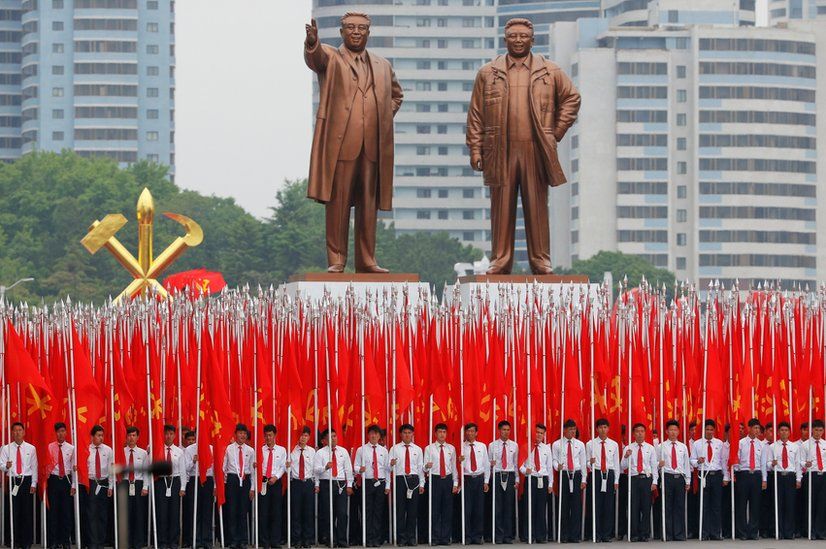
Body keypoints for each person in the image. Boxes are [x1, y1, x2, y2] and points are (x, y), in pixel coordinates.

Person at [466, 16, 581, 274]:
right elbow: (475, 114)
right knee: (501, 207)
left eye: (523, 36)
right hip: (500, 149)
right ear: (505, 39)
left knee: (537, 206)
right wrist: (475, 148)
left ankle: (541, 260)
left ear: (532, 39)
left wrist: (555, 132)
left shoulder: (550, 71)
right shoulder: (488, 73)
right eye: (513, 36)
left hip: (535, 148)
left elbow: (572, 99)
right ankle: (500, 259)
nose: (518, 40)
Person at [303, 12, 403, 273]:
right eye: (350, 28)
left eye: (361, 28)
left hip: (372, 147)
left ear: (369, 33)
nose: (356, 32)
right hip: (341, 145)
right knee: (338, 204)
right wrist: (312, 43)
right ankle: (336, 259)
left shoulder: (382, 65)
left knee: (368, 205)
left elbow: (396, 96)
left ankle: (367, 260)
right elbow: (316, 59)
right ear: (341, 32)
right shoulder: (332, 57)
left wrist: (381, 116)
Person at [0, 422, 37, 549]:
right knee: (13, 511)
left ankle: (26, 542)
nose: (17, 433)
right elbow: (1, 465)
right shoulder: (6, 448)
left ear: (24, 432)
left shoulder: (31, 448)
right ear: (12, 433)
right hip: (12, 480)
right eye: (15, 430)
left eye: (20, 430)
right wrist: (6, 466)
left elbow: (34, 467)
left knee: (26, 512)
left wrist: (34, 483)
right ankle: (13, 541)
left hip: (26, 481)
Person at [690, 419, 729, 540]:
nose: (709, 431)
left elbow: (723, 461)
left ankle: (715, 532)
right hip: (703, 475)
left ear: (714, 431)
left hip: (716, 475)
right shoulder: (697, 444)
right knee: (704, 505)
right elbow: (692, 460)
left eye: (712, 429)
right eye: (707, 429)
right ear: (703, 430)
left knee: (716, 505)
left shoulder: (719, 443)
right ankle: (704, 532)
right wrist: (698, 461)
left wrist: (726, 476)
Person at [315, 428, 353, 547]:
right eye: (330, 437)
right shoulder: (320, 453)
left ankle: (342, 540)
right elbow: (315, 470)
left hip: (340, 484)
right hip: (326, 483)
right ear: (325, 440)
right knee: (328, 513)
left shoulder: (343, 451)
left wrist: (349, 485)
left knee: (342, 513)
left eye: (335, 436)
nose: (333, 438)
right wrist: (325, 468)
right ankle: (332, 539)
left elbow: (348, 469)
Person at [552, 419, 587, 543]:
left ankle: (575, 535)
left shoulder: (580, 444)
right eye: (571, 429)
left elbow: (583, 463)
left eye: (574, 429)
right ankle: (564, 535)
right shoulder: (556, 444)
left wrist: (584, 479)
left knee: (576, 506)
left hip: (576, 474)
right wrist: (557, 466)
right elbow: (554, 460)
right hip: (564, 475)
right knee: (563, 505)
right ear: (564, 430)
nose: (573, 431)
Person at [389, 424, 425, 546]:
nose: (407, 435)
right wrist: (391, 464)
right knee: (400, 510)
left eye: (409, 433)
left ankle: (411, 537)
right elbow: (388, 468)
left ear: (413, 434)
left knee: (413, 511)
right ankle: (401, 538)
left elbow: (420, 468)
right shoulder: (394, 448)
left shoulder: (418, 449)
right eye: (405, 433)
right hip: (400, 479)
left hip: (413, 480)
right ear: (400, 434)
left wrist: (422, 484)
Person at [353, 425, 389, 547]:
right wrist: (360, 470)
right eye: (371, 433)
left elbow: (387, 469)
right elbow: (355, 467)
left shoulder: (384, 450)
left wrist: (387, 485)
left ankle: (376, 539)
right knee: (367, 511)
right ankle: (367, 538)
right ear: (368, 435)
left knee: (378, 511)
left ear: (379, 436)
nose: (374, 436)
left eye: (376, 434)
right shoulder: (361, 450)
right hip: (367, 482)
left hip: (380, 482)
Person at [621, 423, 658, 542]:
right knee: (633, 507)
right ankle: (634, 533)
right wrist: (626, 456)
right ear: (633, 434)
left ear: (645, 433)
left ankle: (645, 533)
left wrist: (655, 481)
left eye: (642, 431)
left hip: (646, 479)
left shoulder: (650, 448)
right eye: (637, 431)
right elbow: (622, 466)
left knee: (646, 507)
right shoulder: (628, 448)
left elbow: (653, 466)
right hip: (633, 479)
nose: (640, 433)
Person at [424, 423, 458, 545]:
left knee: (447, 510)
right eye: (439, 432)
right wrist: (426, 467)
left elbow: (454, 467)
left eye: (444, 432)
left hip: (447, 480)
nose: (442, 434)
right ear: (435, 434)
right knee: (435, 510)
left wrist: (455, 482)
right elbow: (424, 468)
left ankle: (445, 537)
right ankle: (435, 537)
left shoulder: (451, 448)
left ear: (446, 434)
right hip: (434, 480)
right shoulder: (429, 448)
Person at [586, 418, 619, 542]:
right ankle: (596, 533)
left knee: (608, 505)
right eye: (600, 427)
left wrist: (616, 480)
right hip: (596, 473)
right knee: (596, 504)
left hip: (609, 474)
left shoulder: (614, 444)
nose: (603, 430)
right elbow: (586, 462)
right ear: (596, 429)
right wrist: (590, 462)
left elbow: (616, 464)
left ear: (608, 428)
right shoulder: (590, 444)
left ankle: (606, 534)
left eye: (605, 427)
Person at [733, 418, 767, 540]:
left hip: (756, 475)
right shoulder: (741, 443)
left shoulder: (762, 444)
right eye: (755, 428)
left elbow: (763, 463)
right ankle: (742, 532)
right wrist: (737, 473)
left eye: (758, 428)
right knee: (741, 504)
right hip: (744, 474)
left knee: (755, 504)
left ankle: (753, 532)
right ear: (749, 428)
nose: (757, 430)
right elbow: (736, 460)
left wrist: (764, 479)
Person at [155, 424, 187, 549]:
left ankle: (173, 542)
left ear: (174, 435)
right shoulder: (157, 449)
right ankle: (162, 541)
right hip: (161, 482)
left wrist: (183, 487)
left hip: (175, 481)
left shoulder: (179, 451)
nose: (168, 436)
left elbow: (183, 470)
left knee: (174, 513)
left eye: (171, 434)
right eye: (166, 433)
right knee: (161, 513)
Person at [223, 424, 255, 549]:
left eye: (244, 433)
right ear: (235, 434)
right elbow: (224, 467)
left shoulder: (250, 450)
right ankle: (233, 539)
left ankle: (243, 540)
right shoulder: (229, 448)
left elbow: (253, 471)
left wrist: (252, 487)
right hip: (232, 480)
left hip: (245, 480)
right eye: (240, 433)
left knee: (243, 511)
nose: (242, 435)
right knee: (232, 510)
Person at [519, 423, 553, 543]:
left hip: (542, 480)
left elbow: (549, 468)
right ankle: (529, 535)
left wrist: (550, 484)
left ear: (544, 435)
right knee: (529, 507)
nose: (539, 435)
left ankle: (541, 536)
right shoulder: (526, 447)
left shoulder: (546, 448)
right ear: (533, 433)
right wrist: (525, 471)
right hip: (531, 479)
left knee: (541, 508)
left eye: (541, 433)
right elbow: (520, 466)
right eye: (537, 432)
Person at [659, 419, 691, 541]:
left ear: (678, 432)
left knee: (679, 506)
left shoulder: (683, 447)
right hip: (667, 477)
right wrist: (658, 464)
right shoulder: (661, 446)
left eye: (675, 430)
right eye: (671, 430)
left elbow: (686, 464)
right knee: (667, 506)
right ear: (667, 431)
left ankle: (679, 534)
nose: (673, 432)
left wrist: (688, 481)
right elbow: (654, 463)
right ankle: (667, 534)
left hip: (679, 478)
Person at [768, 421, 801, 539]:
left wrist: (798, 479)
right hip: (777, 476)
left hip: (790, 477)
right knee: (778, 504)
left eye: (786, 430)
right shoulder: (772, 446)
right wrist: (772, 464)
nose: (784, 432)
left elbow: (797, 464)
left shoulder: (795, 447)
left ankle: (789, 531)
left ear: (789, 432)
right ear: (778, 432)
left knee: (790, 504)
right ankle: (779, 531)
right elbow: (767, 463)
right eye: (781, 430)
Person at [489, 420, 519, 543]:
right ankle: (498, 535)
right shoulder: (492, 445)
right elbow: (487, 464)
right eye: (503, 430)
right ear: (499, 430)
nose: (506, 432)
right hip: (497, 475)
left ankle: (508, 536)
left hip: (510, 474)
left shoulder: (514, 445)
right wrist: (491, 466)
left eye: (508, 430)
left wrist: (517, 478)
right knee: (498, 507)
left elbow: (516, 463)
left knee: (508, 507)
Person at [84, 425, 114, 549]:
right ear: (92, 436)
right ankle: (92, 542)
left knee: (102, 514)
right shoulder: (86, 449)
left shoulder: (108, 450)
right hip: (90, 483)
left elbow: (111, 469)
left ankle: (101, 542)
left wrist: (111, 486)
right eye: (98, 435)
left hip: (103, 483)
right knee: (91, 514)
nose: (101, 438)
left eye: (102, 435)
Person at [46, 422, 75, 549]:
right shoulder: (50, 447)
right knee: (53, 512)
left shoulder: (71, 448)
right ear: (55, 433)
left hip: (66, 481)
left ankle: (65, 541)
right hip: (53, 480)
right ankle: (53, 541)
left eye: (63, 431)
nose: (61, 434)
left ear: (66, 432)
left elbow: (74, 469)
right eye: (58, 431)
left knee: (66, 512)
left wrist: (73, 484)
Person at [460, 423, 489, 545]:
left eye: (472, 431)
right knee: (467, 509)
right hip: (466, 479)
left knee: (479, 509)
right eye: (468, 431)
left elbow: (486, 464)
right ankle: (467, 535)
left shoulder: (482, 446)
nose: (470, 433)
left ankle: (477, 536)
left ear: (476, 433)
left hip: (479, 479)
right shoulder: (461, 446)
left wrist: (486, 481)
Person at [184, 433, 214, 549]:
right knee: (194, 511)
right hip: (194, 479)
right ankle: (195, 539)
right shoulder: (189, 449)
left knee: (207, 511)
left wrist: (216, 485)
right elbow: (186, 468)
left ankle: (206, 540)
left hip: (207, 480)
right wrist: (193, 461)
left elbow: (215, 468)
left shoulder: (211, 448)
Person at [259, 424, 287, 549]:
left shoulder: (282, 450)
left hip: (275, 483)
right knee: (263, 512)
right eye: (266, 436)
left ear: (275, 435)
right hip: (263, 483)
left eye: (270, 435)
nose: (268, 438)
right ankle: (264, 541)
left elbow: (283, 466)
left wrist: (276, 477)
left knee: (276, 512)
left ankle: (275, 540)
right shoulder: (260, 450)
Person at [287, 427, 316, 548]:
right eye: (301, 435)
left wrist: (316, 484)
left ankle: (307, 539)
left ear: (309, 437)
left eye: (305, 435)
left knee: (308, 512)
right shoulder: (291, 451)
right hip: (296, 483)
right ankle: (297, 539)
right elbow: (286, 470)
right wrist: (286, 466)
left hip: (308, 483)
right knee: (296, 512)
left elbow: (315, 470)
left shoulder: (312, 452)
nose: (303, 438)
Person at [122, 426, 149, 549]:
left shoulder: (143, 453)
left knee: (138, 514)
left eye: (133, 435)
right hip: (125, 484)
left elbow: (146, 472)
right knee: (126, 514)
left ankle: (138, 542)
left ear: (137, 437)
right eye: (129, 435)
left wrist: (145, 487)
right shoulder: (121, 452)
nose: (131, 438)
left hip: (138, 484)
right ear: (126, 437)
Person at [802, 419, 825, 539]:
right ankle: (810, 531)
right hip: (811, 475)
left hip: (823, 476)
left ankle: (820, 531)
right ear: (812, 430)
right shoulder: (806, 445)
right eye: (816, 430)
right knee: (811, 503)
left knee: (822, 505)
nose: (818, 433)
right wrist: (805, 464)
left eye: (821, 430)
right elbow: (800, 461)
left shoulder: (825, 444)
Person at [759, 422, 776, 539]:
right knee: (764, 503)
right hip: (764, 476)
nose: (772, 434)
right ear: (765, 432)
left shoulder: (778, 445)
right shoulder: (760, 445)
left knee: (774, 503)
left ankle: (773, 528)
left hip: (775, 475)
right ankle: (763, 528)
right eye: (770, 431)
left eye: (774, 431)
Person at [181, 429, 197, 548]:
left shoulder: (202, 449)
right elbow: (185, 469)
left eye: (193, 439)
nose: (191, 441)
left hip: (195, 482)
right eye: (189, 440)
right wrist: (193, 461)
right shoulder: (183, 451)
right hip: (185, 485)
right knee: (187, 513)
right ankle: (187, 539)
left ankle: (197, 538)